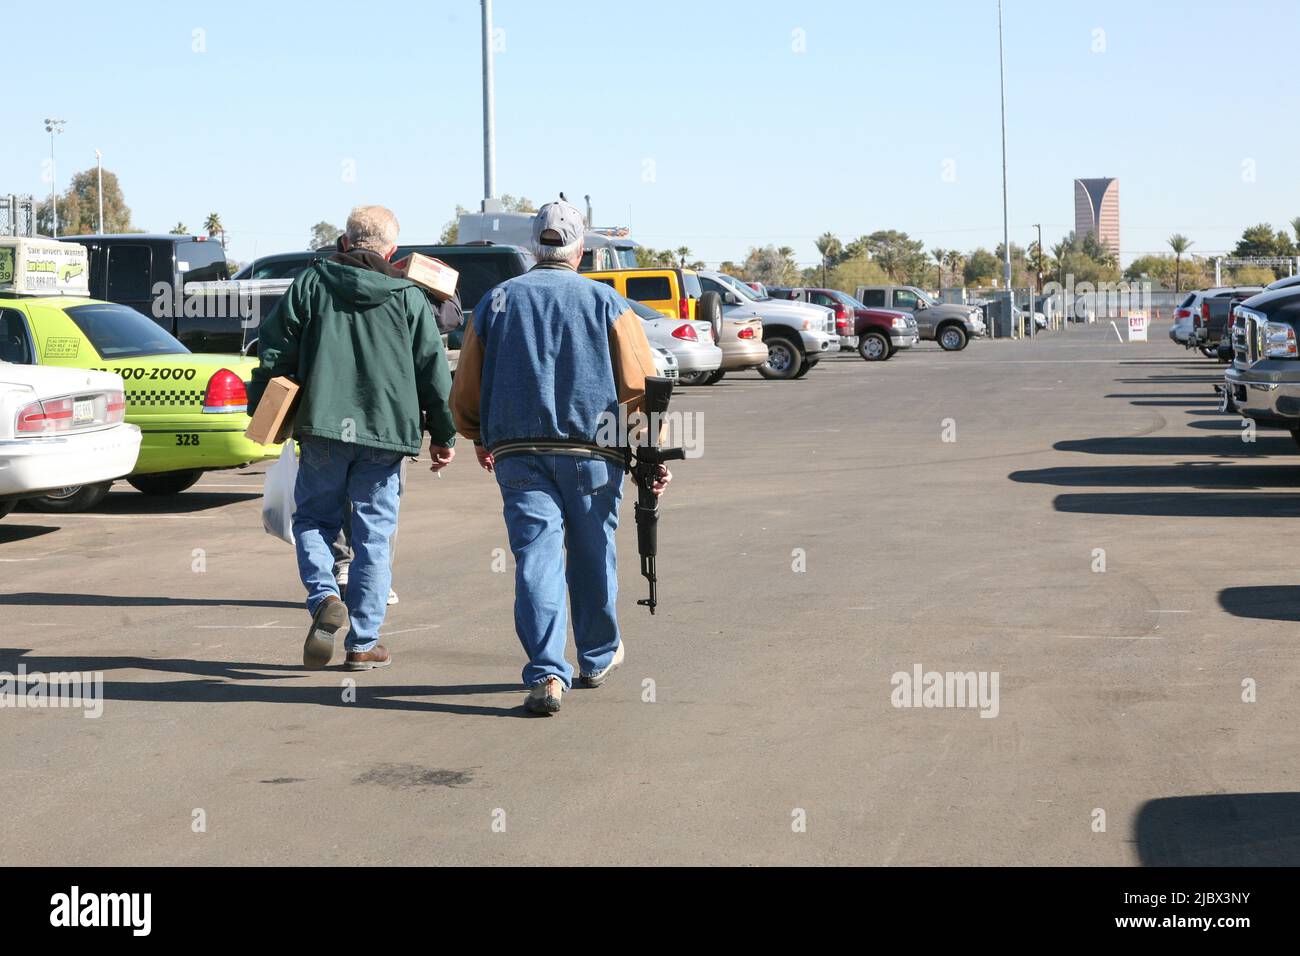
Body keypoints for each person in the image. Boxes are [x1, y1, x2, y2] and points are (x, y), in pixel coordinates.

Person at [450, 199, 671, 715]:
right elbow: (639, 386)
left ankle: (548, 673)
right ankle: (595, 656)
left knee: (537, 558)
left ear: (533, 247)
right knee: (593, 552)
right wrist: (644, 449)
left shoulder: (497, 301)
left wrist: (476, 433)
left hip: (518, 454)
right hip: (593, 453)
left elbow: (467, 384)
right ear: (580, 251)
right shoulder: (608, 304)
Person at [249, 205, 456, 671]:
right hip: (386, 437)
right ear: (392, 251)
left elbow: (274, 349)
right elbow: (433, 372)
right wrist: (443, 434)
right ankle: (363, 642)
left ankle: (324, 595)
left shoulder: (310, 284)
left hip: (322, 428)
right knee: (374, 537)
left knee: (313, 522)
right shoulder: (408, 295)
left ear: (345, 242)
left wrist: (263, 407)